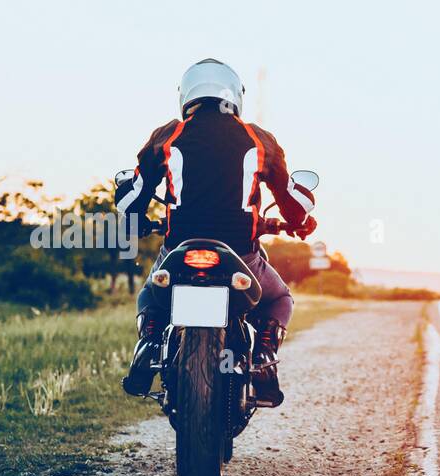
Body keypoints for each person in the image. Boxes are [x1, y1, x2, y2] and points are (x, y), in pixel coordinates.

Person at [116, 58, 316, 406]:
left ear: (186, 96)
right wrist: (300, 222)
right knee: (279, 298)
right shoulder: (258, 138)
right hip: (242, 256)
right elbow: (290, 200)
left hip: (178, 252)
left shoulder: (169, 134)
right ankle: (264, 355)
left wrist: (129, 207)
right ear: (235, 96)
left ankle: (149, 345)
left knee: (150, 295)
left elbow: (131, 199)